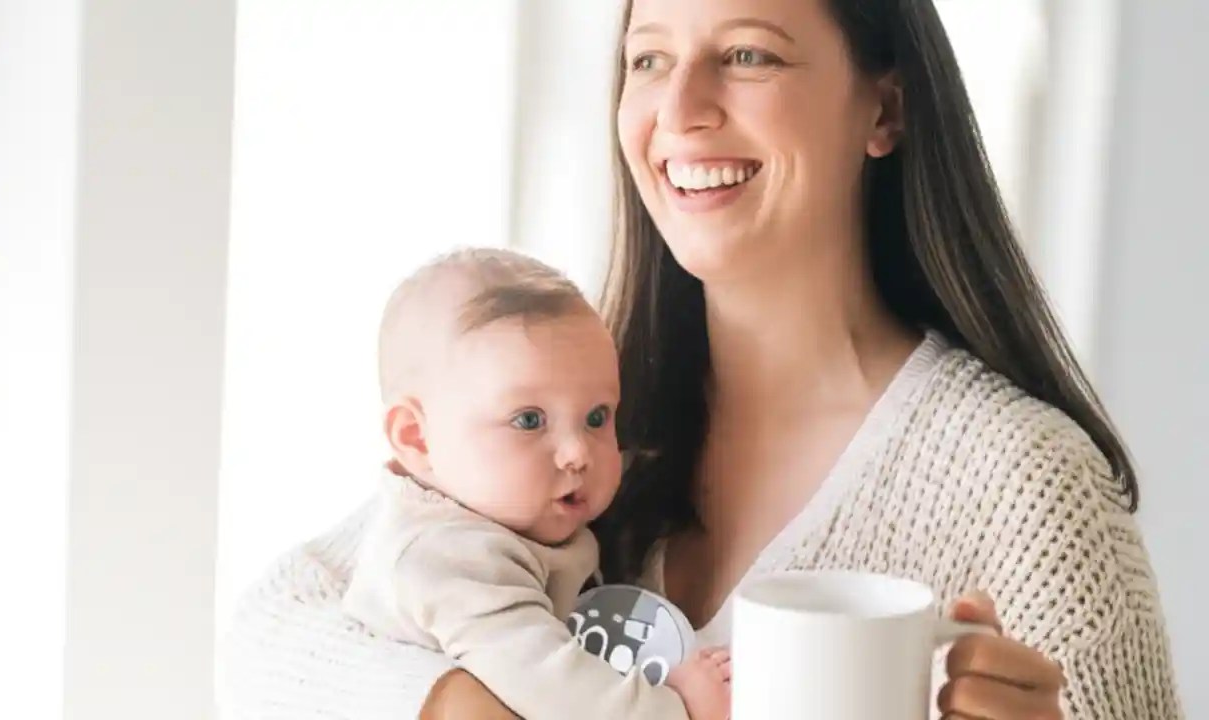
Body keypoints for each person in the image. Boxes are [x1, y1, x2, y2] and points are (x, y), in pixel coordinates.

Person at [224, 0, 1184, 718]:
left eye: (747, 54)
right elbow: (269, 639)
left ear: (884, 109)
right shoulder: (576, 405)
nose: (679, 109)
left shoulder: (1024, 486)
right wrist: (458, 702)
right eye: (648, 59)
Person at [344, 248, 730, 720]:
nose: (577, 452)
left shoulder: (500, 510)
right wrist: (675, 707)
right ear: (416, 438)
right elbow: (551, 686)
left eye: (596, 417)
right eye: (529, 420)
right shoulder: (448, 557)